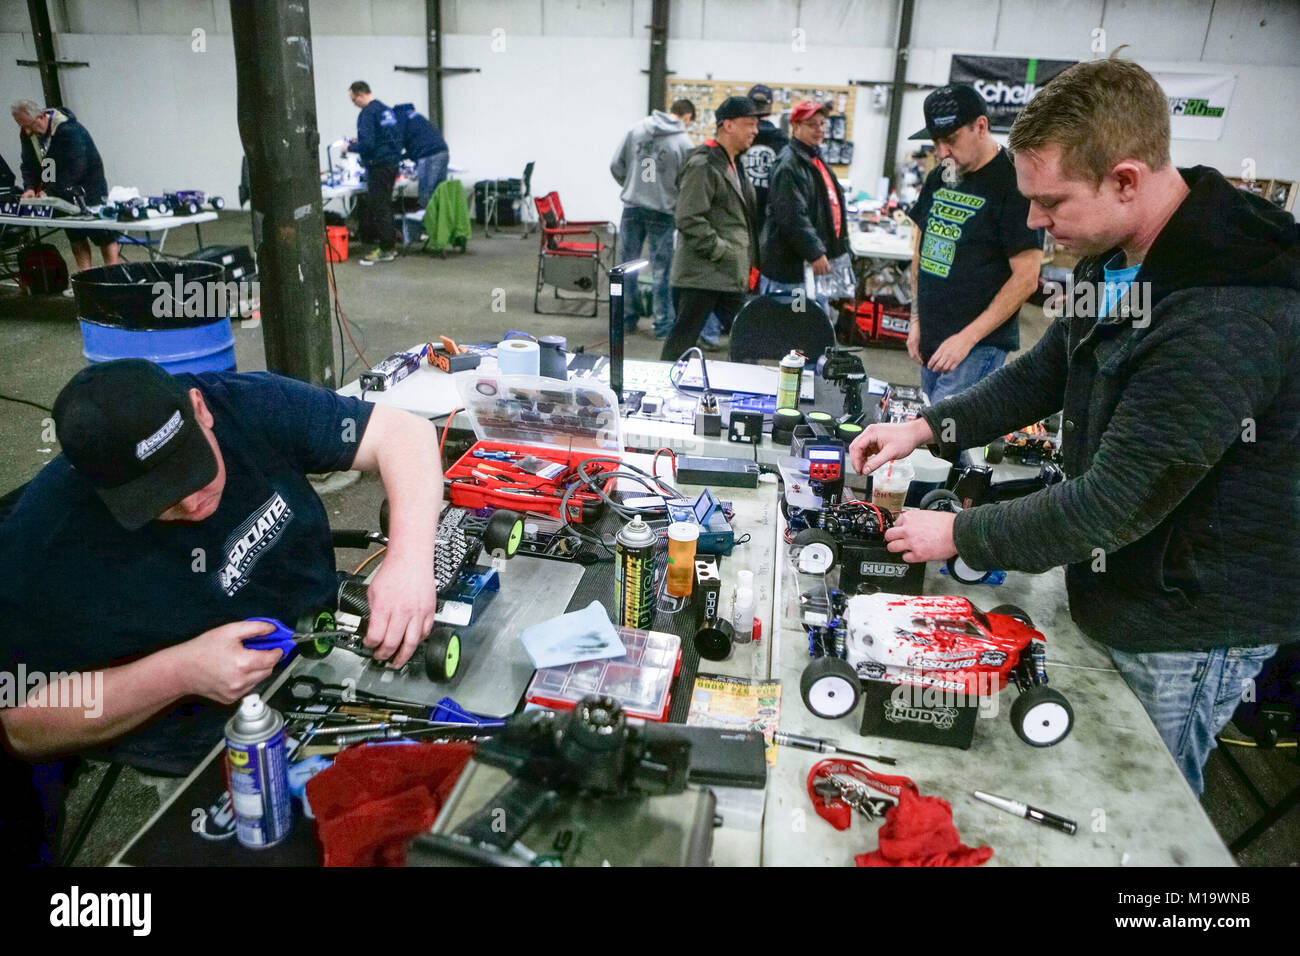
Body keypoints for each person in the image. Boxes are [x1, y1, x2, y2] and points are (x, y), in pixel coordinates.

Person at [848, 58, 1299, 795]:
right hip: (1127, 577)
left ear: (1125, 178)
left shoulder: (1223, 311)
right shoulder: (1118, 255)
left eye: (1049, 200)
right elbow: (1049, 369)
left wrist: (960, 535)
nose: (1031, 221)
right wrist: (926, 428)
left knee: (1142, 803)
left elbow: (1115, 500)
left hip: (1188, 615)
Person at [0, 361, 441, 796]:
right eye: (159, 499)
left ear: (200, 411)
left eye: (192, 470)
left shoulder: (240, 403)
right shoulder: (41, 543)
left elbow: (404, 434)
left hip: (318, 638)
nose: (192, 503)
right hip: (199, 722)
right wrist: (179, 672)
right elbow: (22, 725)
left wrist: (408, 559)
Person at [905, 85, 1043, 404]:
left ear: (980, 127)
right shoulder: (941, 176)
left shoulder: (1014, 184)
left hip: (976, 347)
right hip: (933, 338)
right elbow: (921, 251)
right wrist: (915, 319)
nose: (941, 153)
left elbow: (1026, 278)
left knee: (944, 441)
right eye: (936, 142)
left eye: (950, 140)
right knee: (931, 437)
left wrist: (966, 339)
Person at [660, 96, 759, 362]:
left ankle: (746, 395)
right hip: (701, 275)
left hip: (726, 274)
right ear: (727, 125)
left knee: (746, 340)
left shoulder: (733, 163)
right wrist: (722, 251)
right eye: (749, 123)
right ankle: (663, 394)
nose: (755, 130)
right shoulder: (704, 164)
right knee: (680, 346)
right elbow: (688, 217)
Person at [610, 98, 695, 338]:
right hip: (663, 211)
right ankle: (663, 325)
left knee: (625, 268)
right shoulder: (684, 143)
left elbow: (616, 165)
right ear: (687, 117)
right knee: (662, 270)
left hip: (632, 207)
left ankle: (624, 321)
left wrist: (632, 186)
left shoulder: (635, 130)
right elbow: (687, 182)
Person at [759, 100, 849, 320]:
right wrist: (814, 251)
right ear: (796, 126)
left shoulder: (813, 159)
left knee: (811, 327)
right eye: (812, 124)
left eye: (822, 124)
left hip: (807, 266)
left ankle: (810, 354)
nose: (819, 129)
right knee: (792, 327)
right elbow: (791, 215)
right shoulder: (789, 164)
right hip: (791, 268)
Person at [11, 99, 119, 273]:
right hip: (58, 190)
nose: (27, 131)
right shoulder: (28, 133)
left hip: (89, 186)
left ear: (41, 116)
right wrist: (30, 188)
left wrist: (49, 191)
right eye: (22, 126)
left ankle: (114, 275)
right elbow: (29, 164)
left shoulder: (70, 130)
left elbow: (76, 167)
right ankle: (84, 278)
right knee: (75, 235)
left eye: (29, 125)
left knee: (104, 235)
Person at [346, 81, 403, 264]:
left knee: (380, 207)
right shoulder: (386, 111)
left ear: (361, 94)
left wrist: (350, 147)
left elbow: (368, 145)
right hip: (391, 164)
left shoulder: (367, 113)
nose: (354, 104)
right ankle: (390, 246)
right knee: (386, 205)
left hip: (378, 166)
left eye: (354, 100)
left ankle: (386, 249)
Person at [393, 102, 450, 211]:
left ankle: (426, 226)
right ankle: (440, 225)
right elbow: (415, 143)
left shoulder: (400, 118)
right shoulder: (415, 116)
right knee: (439, 194)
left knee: (426, 196)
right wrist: (403, 156)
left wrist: (393, 157)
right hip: (442, 152)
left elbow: (397, 143)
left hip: (429, 156)